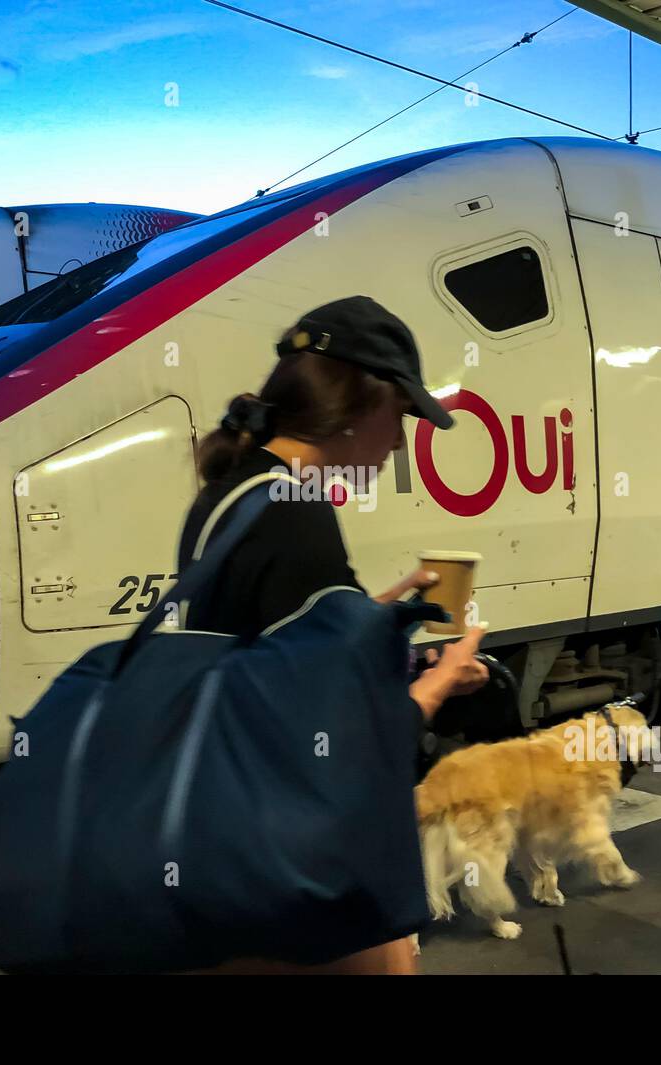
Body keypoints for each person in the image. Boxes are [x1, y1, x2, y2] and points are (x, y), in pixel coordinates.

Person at [178, 295, 490, 973]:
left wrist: (372, 614)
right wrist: (442, 677)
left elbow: (271, 639)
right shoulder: (299, 513)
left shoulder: (234, 493)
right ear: (367, 404)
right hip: (291, 837)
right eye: (404, 417)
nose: (402, 442)